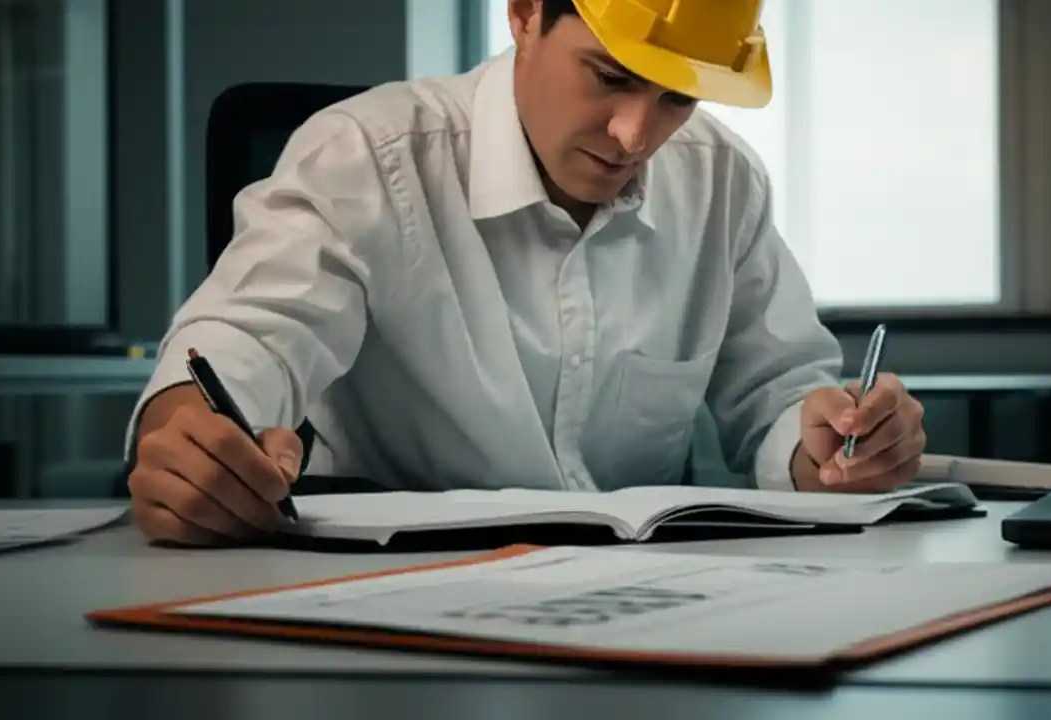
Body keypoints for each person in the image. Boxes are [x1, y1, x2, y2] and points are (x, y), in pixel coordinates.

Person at [126, 0, 927, 545]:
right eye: (610, 76)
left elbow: (780, 398)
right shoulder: (367, 157)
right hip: (393, 602)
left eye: (677, 97)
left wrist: (829, 449)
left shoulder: (722, 182)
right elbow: (244, 338)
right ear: (523, 14)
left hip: (643, 615)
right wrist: (183, 442)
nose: (634, 134)